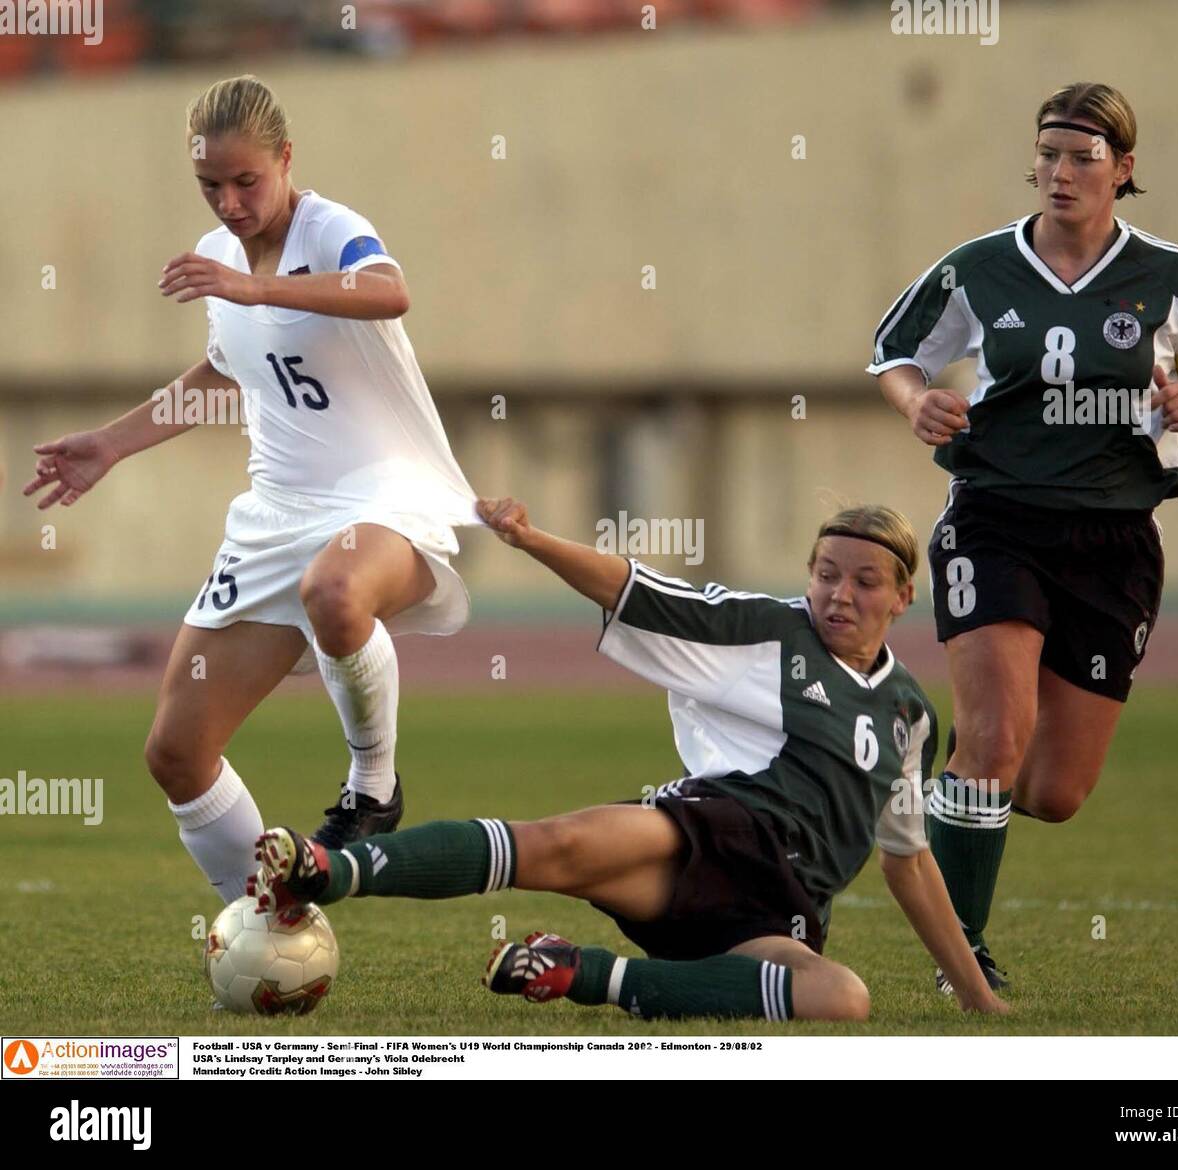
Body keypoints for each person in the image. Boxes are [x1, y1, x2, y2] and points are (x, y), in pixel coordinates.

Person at [249, 496, 1009, 1022]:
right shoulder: (766, 630)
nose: (839, 594)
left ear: (904, 594)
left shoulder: (909, 710)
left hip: (781, 906)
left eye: (865, 581)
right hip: (717, 830)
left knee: (843, 998)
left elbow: (907, 860)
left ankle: (585, 974)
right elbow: (640, 591)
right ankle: (329, 869)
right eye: (826, 573)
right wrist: (532, 539)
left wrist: (977, 994)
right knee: (558, 846)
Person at [22, 75, 480, 900]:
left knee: (336, 590)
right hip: (275, 514)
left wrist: (257, 288)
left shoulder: (330, 228)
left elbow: (389, 290)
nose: (229, 204)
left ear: (286, 159)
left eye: (246, 182)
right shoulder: (221, 259)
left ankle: (373, 786)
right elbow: (228, 368)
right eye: (210, 186)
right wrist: (113, 444)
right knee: (175, 753)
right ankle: (268, 923)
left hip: (384, 497)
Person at [869, 82, 1178, 993]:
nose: (1060, 172)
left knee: (1052, 793)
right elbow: (893, 354)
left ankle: (956, 780)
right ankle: (963, 962)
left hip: (1116, 540)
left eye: (1082, 156)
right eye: (1047, 153)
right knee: (994, 744)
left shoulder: (1168, 276)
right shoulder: (979, 267)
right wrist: (921, 402)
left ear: (1124, 169)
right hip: (997, 517)